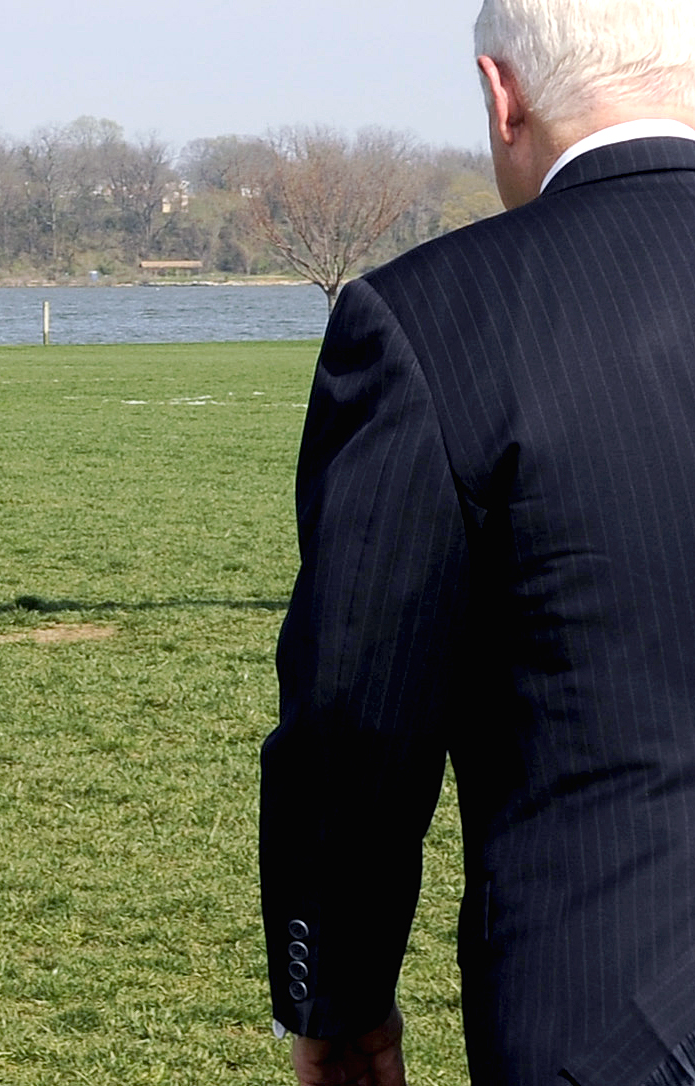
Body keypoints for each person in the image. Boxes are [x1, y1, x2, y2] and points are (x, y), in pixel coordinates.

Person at [259, 1, 695, 1083]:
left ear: (501, 97)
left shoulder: (429, 318)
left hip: (602, 1004)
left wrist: (341, 1002)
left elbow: (357, 717)